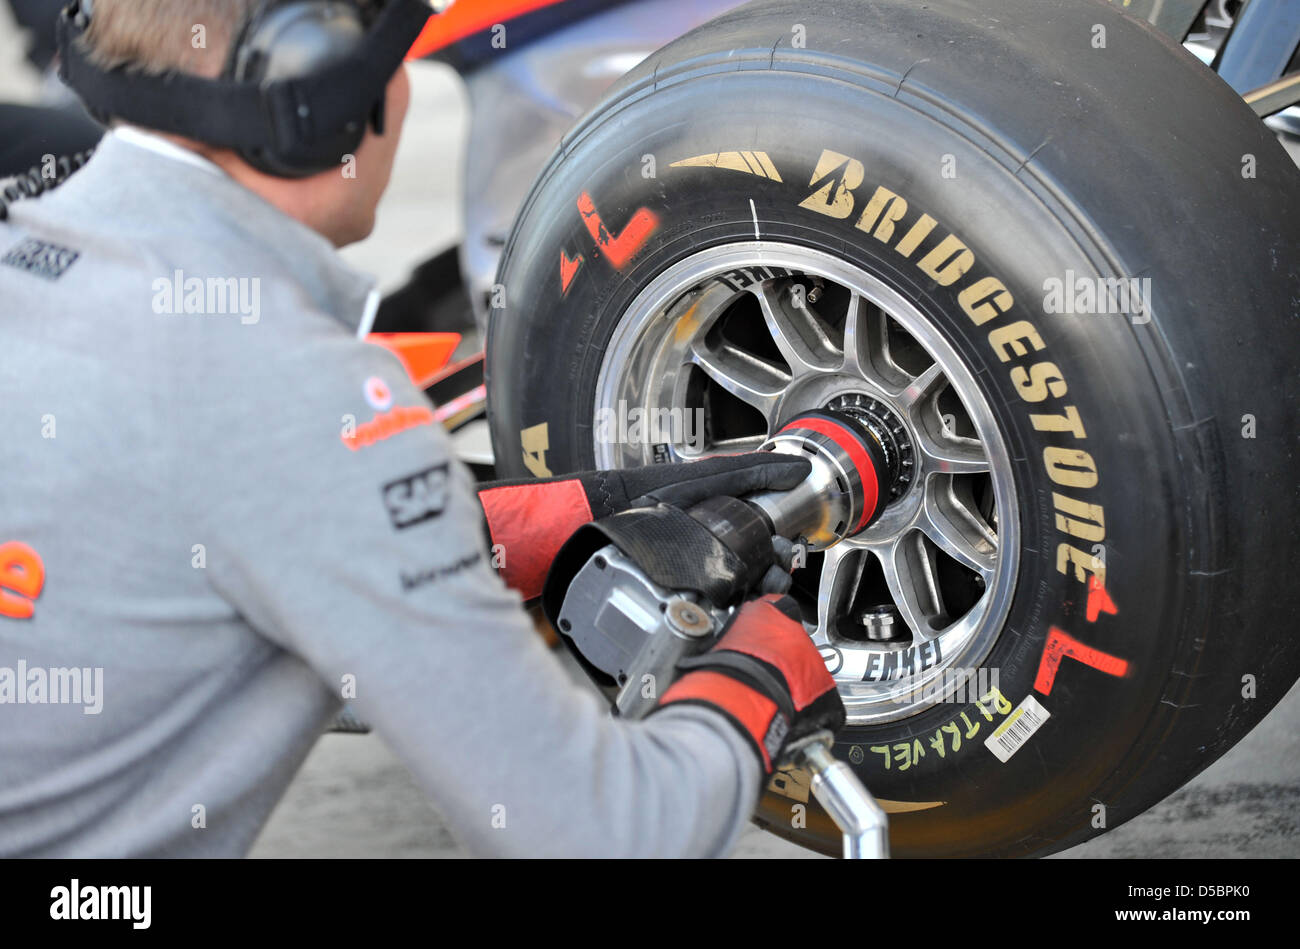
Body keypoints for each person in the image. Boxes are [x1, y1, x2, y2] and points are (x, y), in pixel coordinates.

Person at [0, 0, 843, 857]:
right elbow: (604, 832)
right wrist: (758, 675)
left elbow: (166, 537)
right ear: (321, 91)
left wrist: (488, 525)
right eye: (395, 58)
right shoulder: (298, 394)